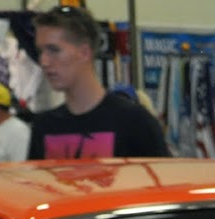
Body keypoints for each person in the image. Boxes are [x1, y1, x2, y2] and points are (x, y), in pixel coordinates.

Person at [27, 5, 168, 159]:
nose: (44, 61)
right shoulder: (44, 127)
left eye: (54, 50)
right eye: (41, 51)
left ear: (84, 53)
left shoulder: (135, 123)